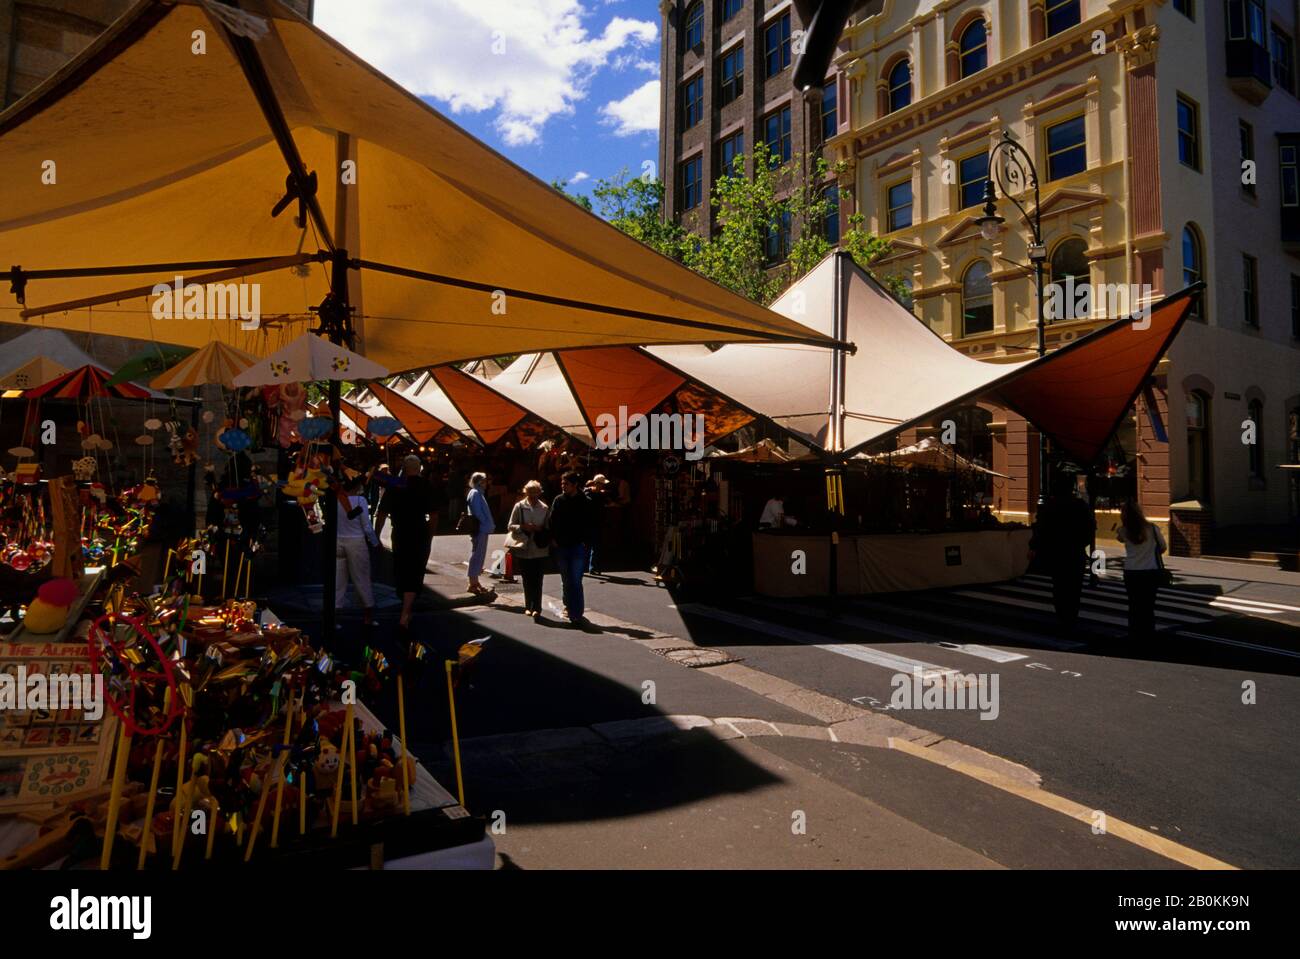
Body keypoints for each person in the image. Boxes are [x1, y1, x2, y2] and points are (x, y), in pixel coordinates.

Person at [374, 454, 437, 630]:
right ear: (419, 468)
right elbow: (433, 515)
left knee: (401, 568)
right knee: (415, 570)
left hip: (400, 531)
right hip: (419, 531)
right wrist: (430, 536)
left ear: (404, 468)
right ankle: (406, 610)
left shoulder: (396, 485)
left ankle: (405, 609)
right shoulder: (426, 485)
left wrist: (376, 534)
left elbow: (382, 512)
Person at [1029, 471, 1096, 635]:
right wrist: (1081, 544)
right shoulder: (1080, 506)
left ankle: (1063, 617)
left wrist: (1035, 547)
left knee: (1059, 587)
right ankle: (1071, 618)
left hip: (1057, 554)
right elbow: (1090, 528)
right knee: (1074, 589)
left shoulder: (1050, 506)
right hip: (1075, 553)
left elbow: (1041, 529)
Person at [1117, 499, 1168, 643]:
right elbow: (1163, 547)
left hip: (1131, 571)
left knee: (1134, 605)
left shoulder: (1123, 530)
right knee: (1148, 605)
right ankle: (1148, 634)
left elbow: (1120, 538)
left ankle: (1134, 634)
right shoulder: (1152, 528)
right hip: (1149, 571)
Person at [547, 471, 591, 625]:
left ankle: (577, 612)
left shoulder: (584, 501)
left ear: (575, 485)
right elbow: (551, 521)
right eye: (562, 484)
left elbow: (589, 523)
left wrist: (586, 542)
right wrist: (553, 539)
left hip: (578, 545)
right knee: (566, 579)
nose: (563, 486)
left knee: (576, 580)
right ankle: (568, 606)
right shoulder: (558, 500)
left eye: (566, 484)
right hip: (561, 546)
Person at [335, 473, 379, 626]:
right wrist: (375, 543)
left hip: (338, 540)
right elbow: (366, 526)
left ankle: (335, 618)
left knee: (338, 581)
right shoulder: (360, 500)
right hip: (356, 542)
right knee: (362, 578)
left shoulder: (337, 500)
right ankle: (368, 617)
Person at [506, 480, 550, 619]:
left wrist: (539, 529)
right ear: (525, 492)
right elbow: (510, 525)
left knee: (538, 580)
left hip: (539, 549)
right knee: (527, 579)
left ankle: (537, 608)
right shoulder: (519, 506)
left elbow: (548, 528)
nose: (532, 495)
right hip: (524, 548)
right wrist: (523, 527)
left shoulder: (544, 508)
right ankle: (528, 606)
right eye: (529, 492)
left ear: (539, 492)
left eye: (535, 492)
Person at [465, 471, 495, 594]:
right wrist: (486, 522)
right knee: (478, 554)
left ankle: (475, 581)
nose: (487, 483)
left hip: (480, 528)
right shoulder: (476, 493)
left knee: (477, 554)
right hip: (481, 528)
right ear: (480, 482)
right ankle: (473, 583)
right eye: (485, 481)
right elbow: (477, 512)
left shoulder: (476, 493)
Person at [584, 474, 610, 575]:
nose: (603, 486)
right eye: (602, 484)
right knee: (587, 546)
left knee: (596, 546)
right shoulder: (588, 494)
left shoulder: (600, 495)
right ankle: (584, 566)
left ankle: (592, 567)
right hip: (589, 523)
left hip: (597, 523)